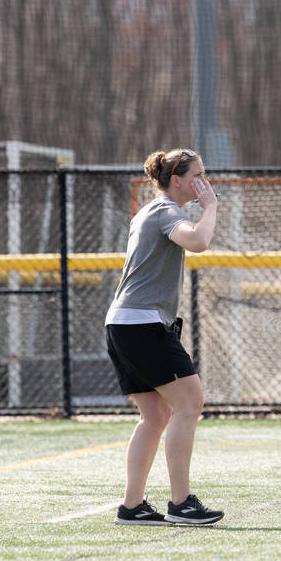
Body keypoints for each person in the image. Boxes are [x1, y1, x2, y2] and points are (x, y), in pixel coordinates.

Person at [105, 148, 225, 525]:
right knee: (190, 402)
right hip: (140, 326)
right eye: (197, 175)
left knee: (155, 415)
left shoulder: (153, 210)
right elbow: (198, 242)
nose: (203, 182)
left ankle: (132, 506)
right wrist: (210, 208)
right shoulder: (164, 211)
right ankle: (181, 503)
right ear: (176, 180)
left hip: (126, 324)